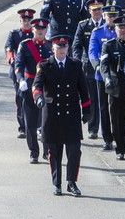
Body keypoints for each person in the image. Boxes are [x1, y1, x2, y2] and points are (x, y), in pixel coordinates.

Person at [31, 34, 91, 196]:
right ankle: (56, 183)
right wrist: (38, 99)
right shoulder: (44, 66)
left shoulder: (75, 65)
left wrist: (87, 110)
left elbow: (83, 90)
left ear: (68, 48)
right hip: (52, 115)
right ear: (53, 49)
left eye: (64, 47)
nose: (62, 50)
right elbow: (36, 86)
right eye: (59, 47)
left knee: (74, 151)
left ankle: (72, 182)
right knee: (54, 152)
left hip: (71, 114)